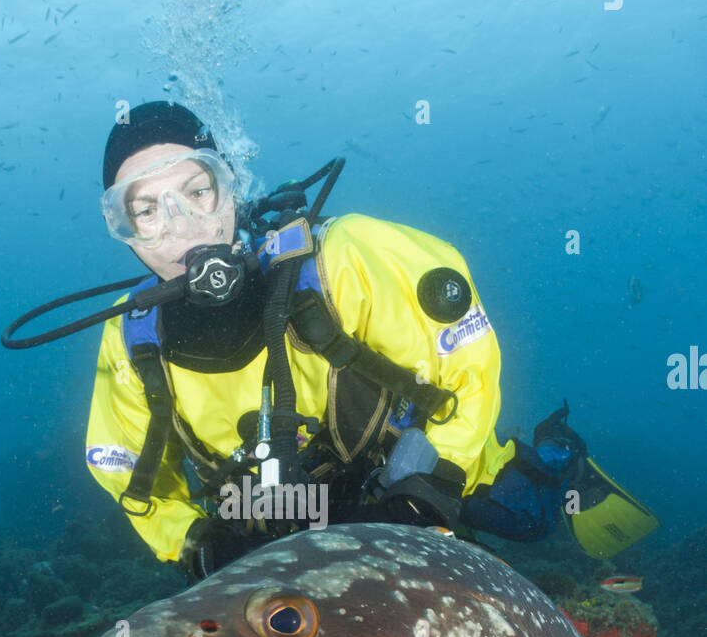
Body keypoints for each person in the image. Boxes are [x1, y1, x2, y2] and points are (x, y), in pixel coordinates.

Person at [86, 100, 657, 581]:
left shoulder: (346, 258)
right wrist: (194, 540)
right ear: (124, 233)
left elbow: (465, 357)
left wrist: (436, 480)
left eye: (196, 192)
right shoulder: (132, 338)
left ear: (232, 191)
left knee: (529, 522)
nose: (181, 225)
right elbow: (122, 466)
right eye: (144, 211)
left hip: (420, 473)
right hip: (277, 520)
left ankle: (559, 457)